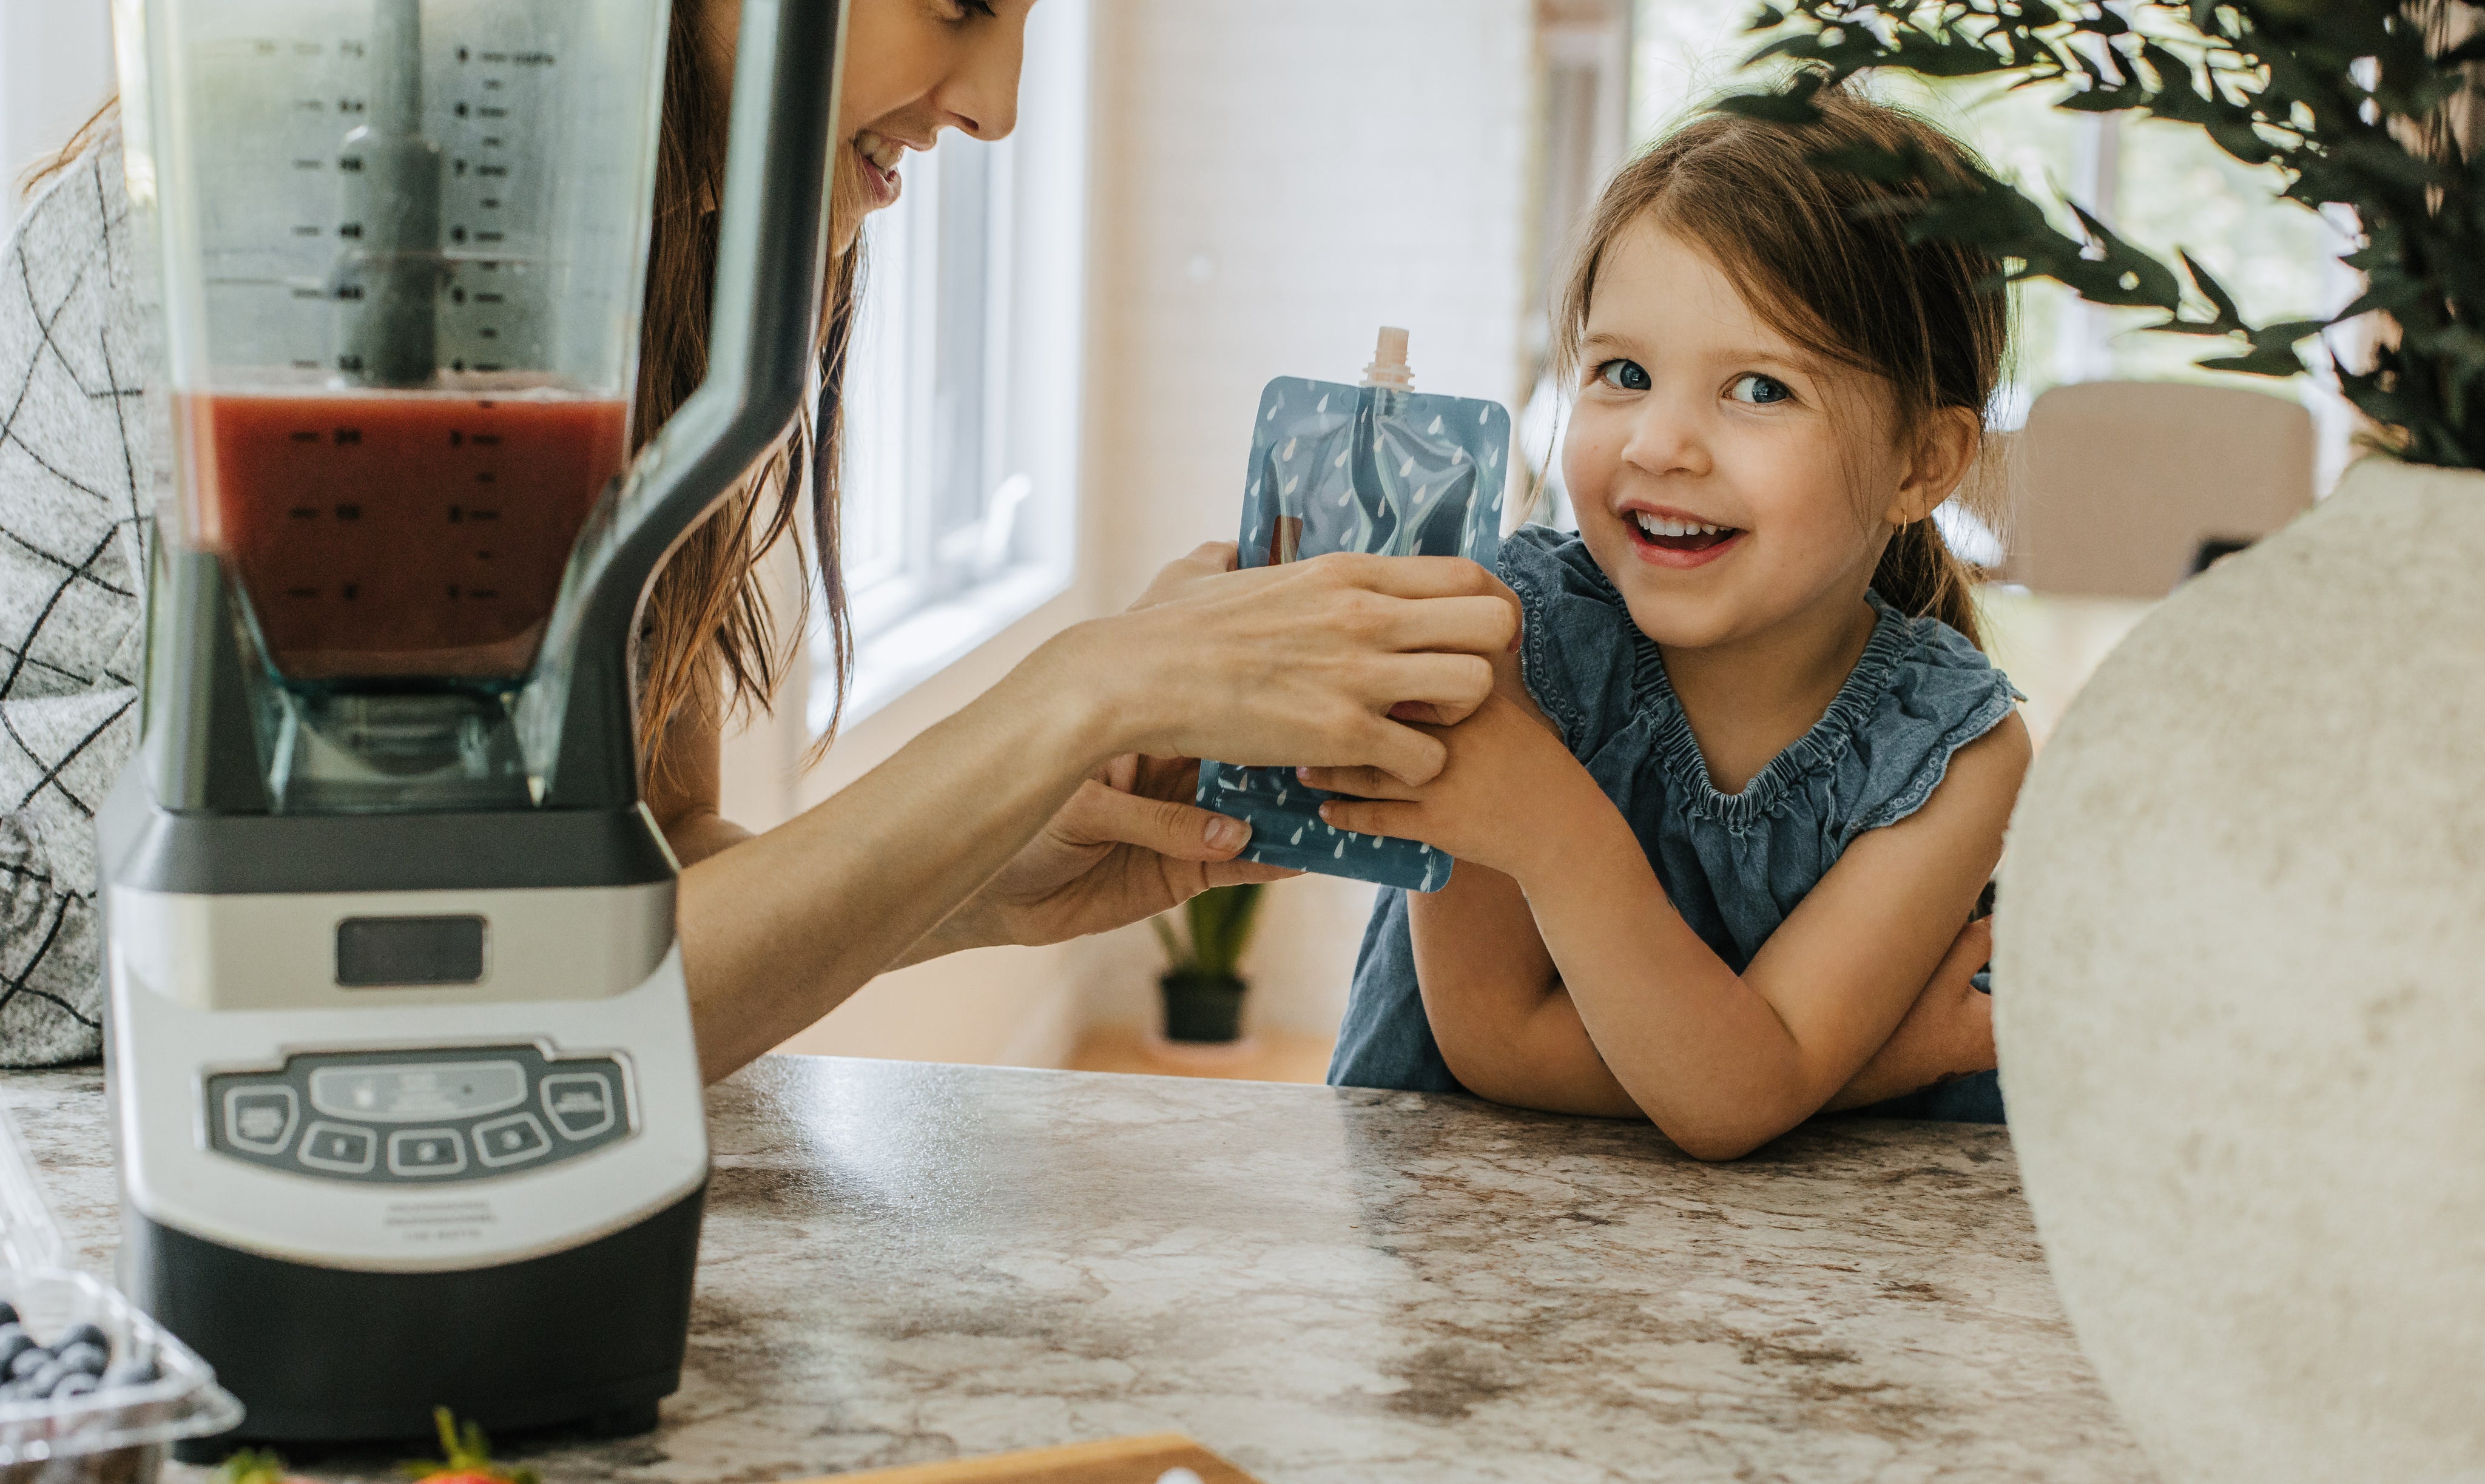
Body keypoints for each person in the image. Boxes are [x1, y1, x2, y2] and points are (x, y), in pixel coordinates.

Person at [0, 1, 1975, 1091]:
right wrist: (1075, 698)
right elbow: (425, 1020)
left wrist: (986, 881)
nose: (1008, 100)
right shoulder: (363, 238)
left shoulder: (653, 263)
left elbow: (633, 885)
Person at [1312, 92, 2028, 1158]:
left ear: (1922, 464)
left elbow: (1739, 1094)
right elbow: (1498, 1044)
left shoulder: (1957, 751)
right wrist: (1876, 1064)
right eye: (1624, 374)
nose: (1659, 442)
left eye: (1758, 387)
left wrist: (1547, 824)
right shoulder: (1498, 640)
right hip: (1485, 1260)